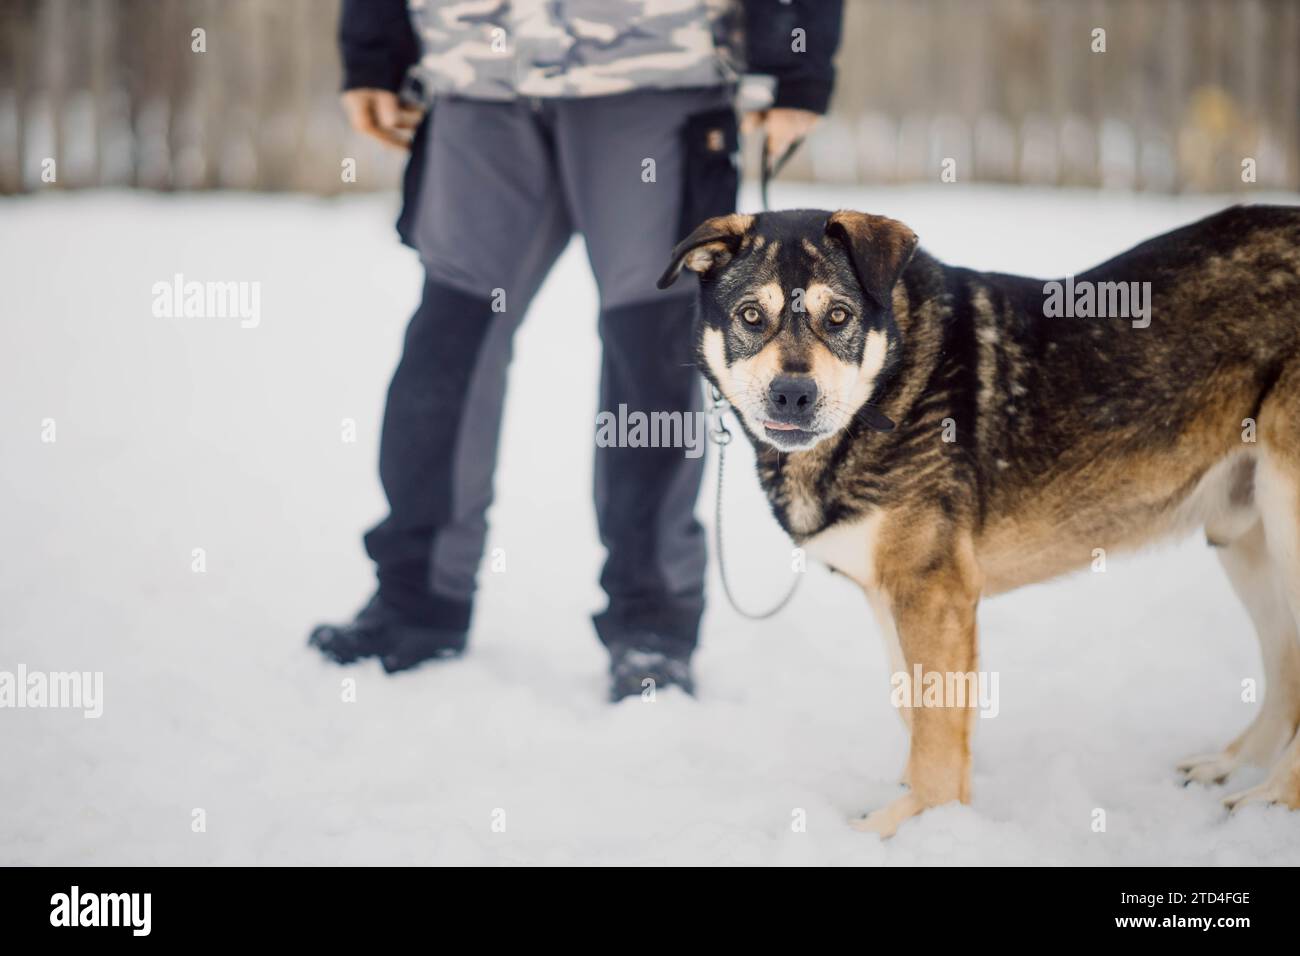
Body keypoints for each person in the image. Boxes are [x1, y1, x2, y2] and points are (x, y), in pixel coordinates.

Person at [310, 0, 844, 700]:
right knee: (450, 340)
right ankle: (416, 599)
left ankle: (651, 622)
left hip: (652, 67)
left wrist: (797, 67)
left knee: (651, 351)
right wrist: (374, 50)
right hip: (478, 70)